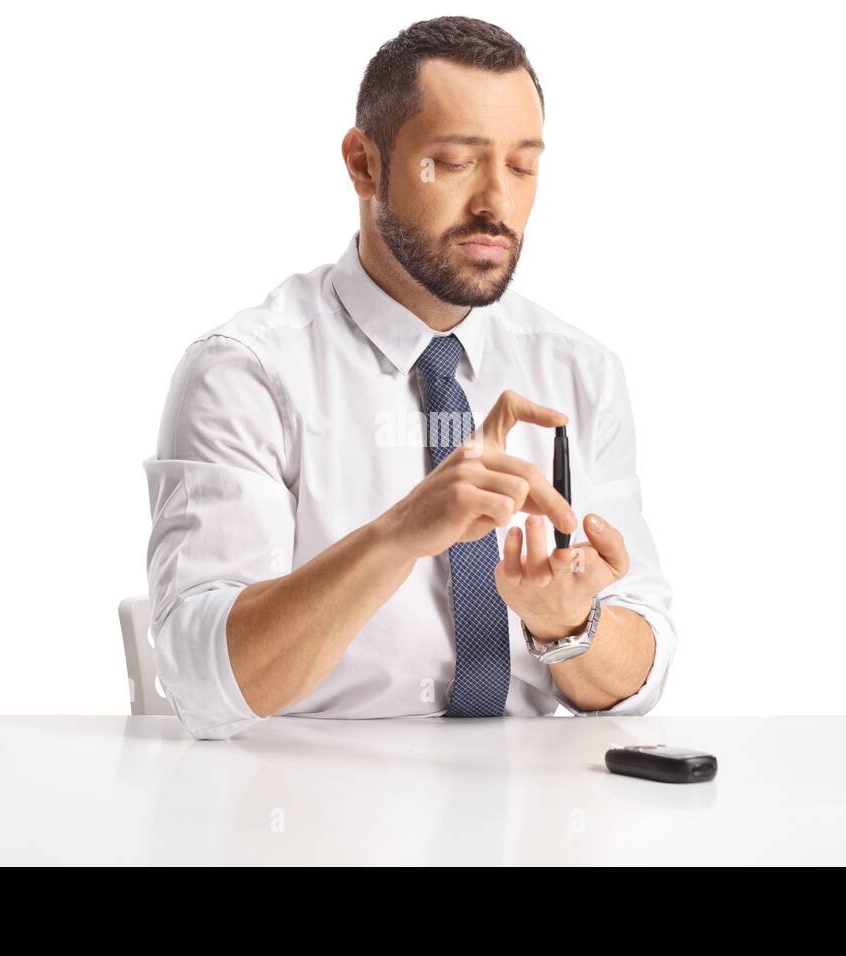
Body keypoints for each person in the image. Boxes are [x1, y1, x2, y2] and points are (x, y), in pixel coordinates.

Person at [143, 16, 676, 740]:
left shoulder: (580, 372)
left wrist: (569, 625)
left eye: (522, 166)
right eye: (456, 162)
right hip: (300, 816)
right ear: (364, 164)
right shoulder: (246, 373)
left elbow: (639, 673)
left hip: (530, 827)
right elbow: (201, 681)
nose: (497, 202)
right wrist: (398, 535)